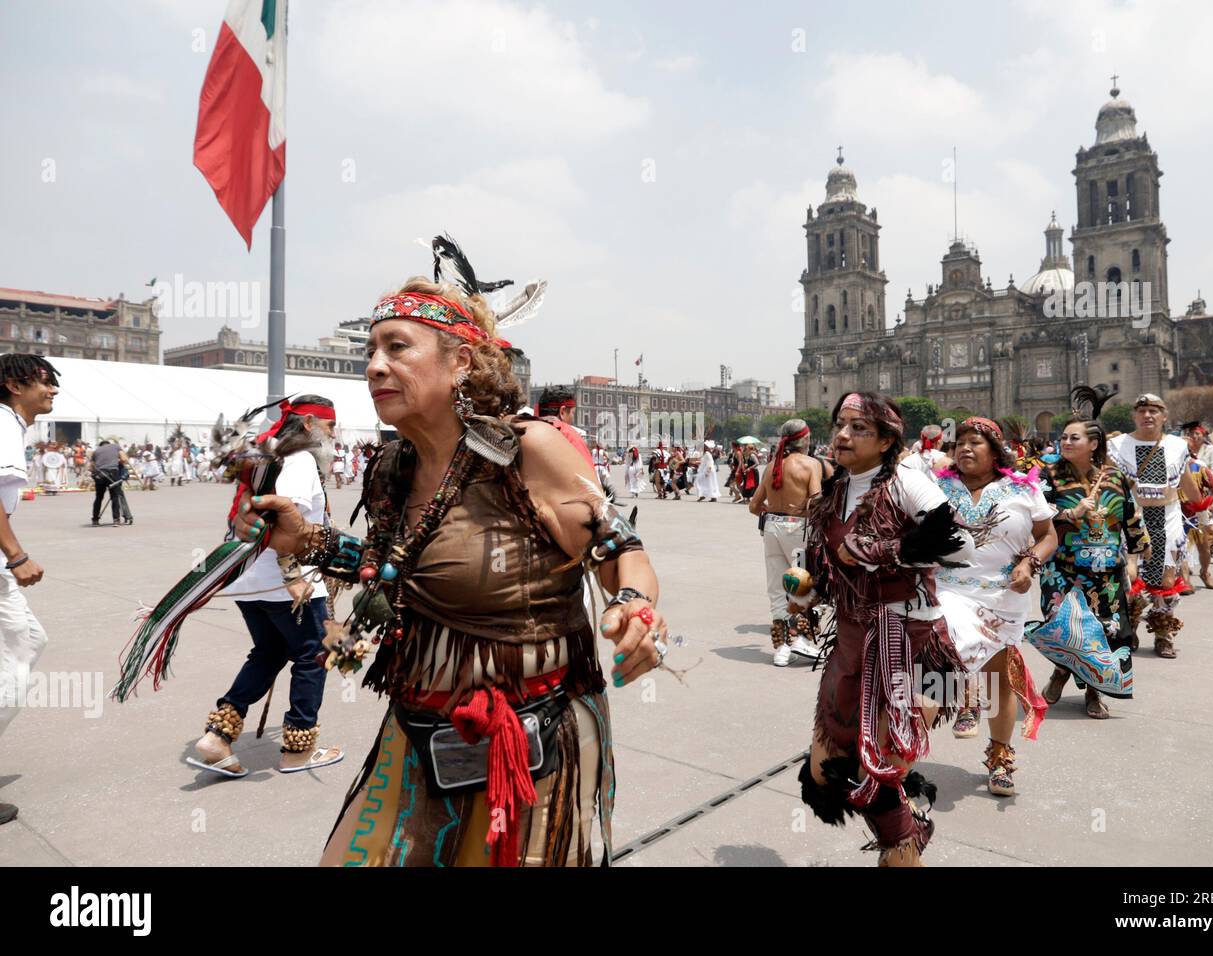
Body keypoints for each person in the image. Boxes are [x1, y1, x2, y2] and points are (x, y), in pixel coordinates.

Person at [234, 247, 668, 867]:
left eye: (397, 347)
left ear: (460, 361)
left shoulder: (526, 451)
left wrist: (635, 607)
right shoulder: (391, 467)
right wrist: (306, 539)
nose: (374, 366)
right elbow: (398, 568)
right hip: (415, 732)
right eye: (370, 350)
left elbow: (620, 550)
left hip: (530, 745)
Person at [798, 392, 975, 866]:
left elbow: (963, 544)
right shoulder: (834, 488)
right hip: (852, 643)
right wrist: (811, 588)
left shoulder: (906, 481)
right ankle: (908, 825)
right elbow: (829, 562)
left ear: (885, 441)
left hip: (913, 644)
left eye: (858, 428)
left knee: (880, 771)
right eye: (840, 424)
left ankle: (902, 846)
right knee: (824, 771)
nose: (842, 435)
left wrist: (880, 551)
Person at [190, 395, 347, 777]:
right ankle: (298, 750)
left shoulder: (270, 455)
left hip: (250, 582)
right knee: (315, 656)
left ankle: (217, 736)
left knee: (270, 651)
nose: (334, 434)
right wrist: (292, 574)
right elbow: (281, 515)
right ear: (308, 423)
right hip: (284, 585)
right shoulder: (299, 458)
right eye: (329, 426)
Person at [933, 417, 1055, 796]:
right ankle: (903, 744)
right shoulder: (937, 487)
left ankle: (1000, 757)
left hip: (1005, 595)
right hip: (949, 589)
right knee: (948, 644)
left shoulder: (1023, 489)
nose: (965, 448)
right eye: (960, 443)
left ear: (996, 451)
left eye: (975, 442)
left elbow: (1047, 535)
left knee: (999, 679)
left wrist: (1029, 563)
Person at [1038, 387, 1151, 719]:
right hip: (1062, 569)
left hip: (1107, 573)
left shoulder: (1115, 477)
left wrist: (1134, 559)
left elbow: (1131, 518)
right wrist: (1069, 514)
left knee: (1104, 631)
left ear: (1093, 443)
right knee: (1064, 628)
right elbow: (1035, 517)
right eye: (1063, 437)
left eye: (1073, 438)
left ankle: (1093, 692)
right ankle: (1061, 671)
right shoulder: (1049, 476)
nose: (1065, 442)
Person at [0, 354, 58, 827]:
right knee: (13, 670)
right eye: (45, 381)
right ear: (13, 385)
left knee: (31, 641)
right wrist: (17, 556)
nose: (53, 389)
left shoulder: (10, 425)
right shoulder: (3, 422)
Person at [1107, 395, 1204, 660]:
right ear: (1134, 416)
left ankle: (1163, 634)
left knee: (1166, 579)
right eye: (1142, 411)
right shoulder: (1117, 446)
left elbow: (1188, 484)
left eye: (1153, 410)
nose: (1147, 415)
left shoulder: (1177, 446)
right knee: (1130, 578)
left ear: (1164, 416)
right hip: (1131, 519)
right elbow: (1107, 484)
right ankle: (1130, 629)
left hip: (1168, 518)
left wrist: (1204, 514)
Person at [749, 419, 823, 665]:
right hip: (798, 529)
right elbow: (816, 502)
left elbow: (754, 506)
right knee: (805, 586)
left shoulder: (772, 465)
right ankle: (800, 638)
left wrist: (774, 512)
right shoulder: (811, 464)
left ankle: (781, 649)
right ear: (805, 439)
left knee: (777, 590)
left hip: (771, 527)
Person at [1180, 422, 1213, 589]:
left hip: (1198, 512)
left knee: (1203, 547)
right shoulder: (1169, 468)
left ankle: (1205, 572)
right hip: (1175, 512)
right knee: (1180, 546)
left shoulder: (1200, 467)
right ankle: (1184, 580)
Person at [90, 438, 133, 527]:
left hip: (99, 475)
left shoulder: (96, 451)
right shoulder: (115, 446)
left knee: (99, 497)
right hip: (112, 473)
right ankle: (116, 520)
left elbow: (91, 467)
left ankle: (95, 520)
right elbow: (124, 459)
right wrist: (117, 462)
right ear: (108, 444)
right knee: (114, 496)